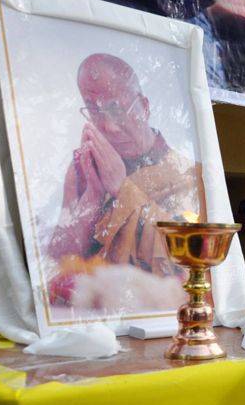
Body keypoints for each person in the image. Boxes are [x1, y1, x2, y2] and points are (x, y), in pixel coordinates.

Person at [48, 53, 204, 289]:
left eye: (117, 109)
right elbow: (58, 259)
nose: (109, 126)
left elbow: (183, 262)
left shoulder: (184, 172)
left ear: (144, 106)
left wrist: (123, 189)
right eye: (95, 111)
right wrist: (92, 197)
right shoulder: (84, 166)